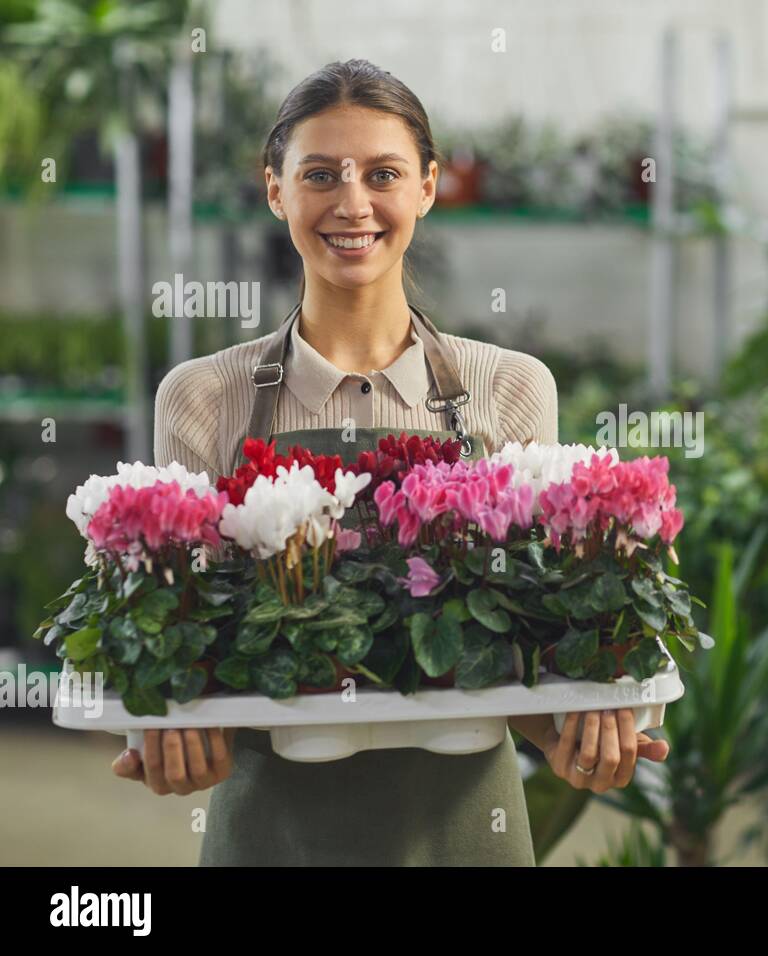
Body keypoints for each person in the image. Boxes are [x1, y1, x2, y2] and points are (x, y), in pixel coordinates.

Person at [111, 58, 670, 865]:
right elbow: (185, 647)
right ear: (276, 191)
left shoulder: (509, 389)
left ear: (428, 187)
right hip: (273, 833)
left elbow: (531, 647)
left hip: (463, 827)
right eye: (319, 174)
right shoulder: (202, 397)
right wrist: (172, 724)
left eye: (383, 173)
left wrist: (585, 720)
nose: (352, 203)